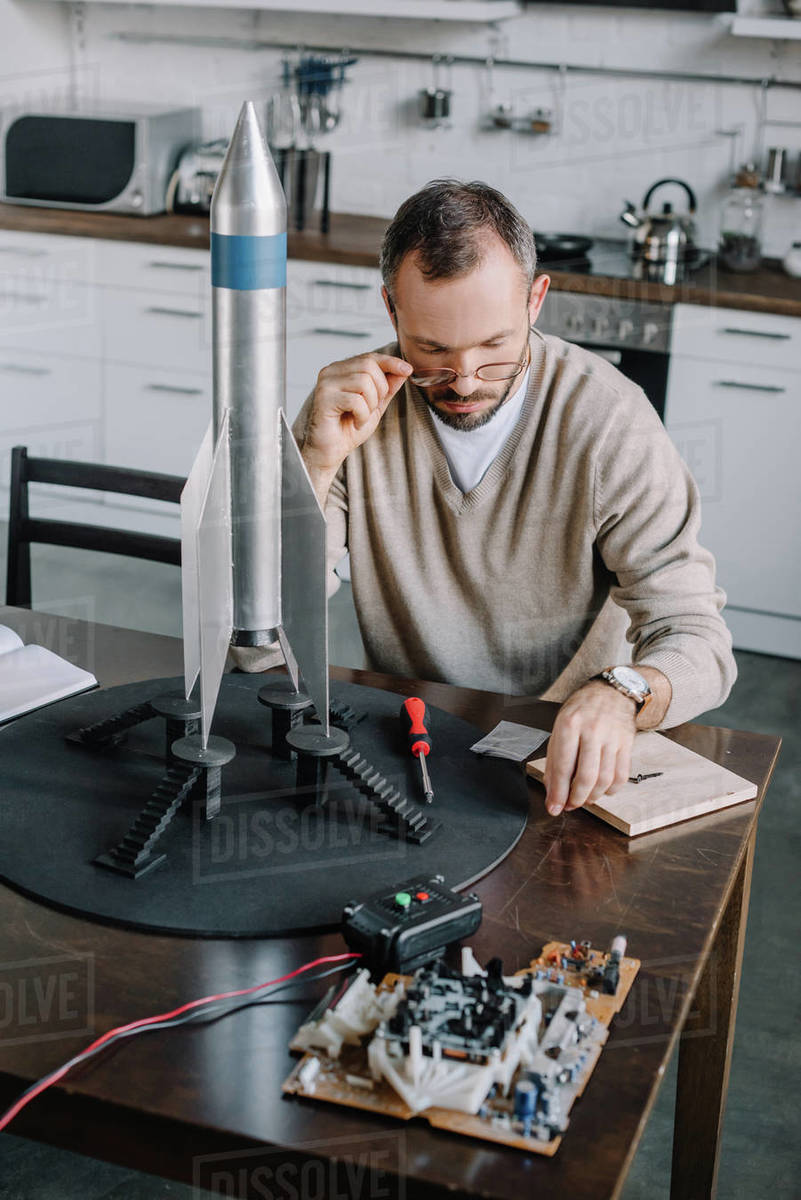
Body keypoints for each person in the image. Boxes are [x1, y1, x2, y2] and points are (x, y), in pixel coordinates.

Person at [233, 180, 736, 818]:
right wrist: (314, 461)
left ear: (536, 299)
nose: (465, 381)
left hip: (562, 757)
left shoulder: (610, 420)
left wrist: (624, 691)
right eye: (433, 351)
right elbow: (258, 648)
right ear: (392, 310)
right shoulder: (353, 414)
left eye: (495, 349)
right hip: (409, 739)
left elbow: (698, 638)